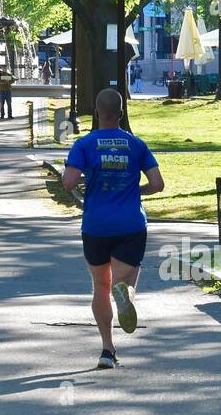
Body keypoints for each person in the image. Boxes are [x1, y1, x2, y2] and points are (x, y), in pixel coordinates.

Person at [61, 88, 165, 370]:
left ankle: (107, 350)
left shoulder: (84, 144)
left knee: (100, 285)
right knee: (124, 282)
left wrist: (90, 178)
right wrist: (135, 190)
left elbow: (69, 182)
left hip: (96, 224)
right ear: (120, 113)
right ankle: (127, 296)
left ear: (96, 113)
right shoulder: (136, 144)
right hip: (129, 222)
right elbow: (157, 184)